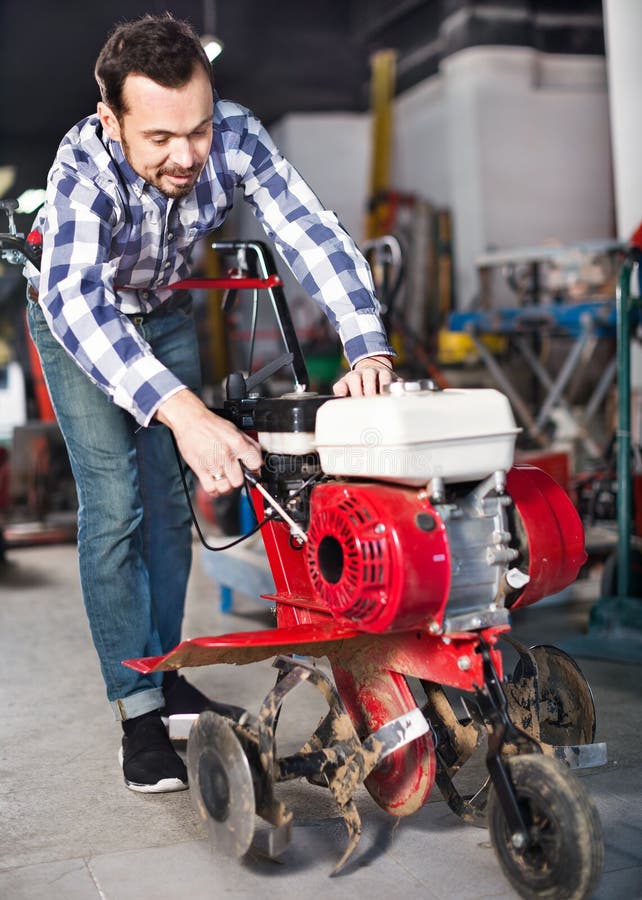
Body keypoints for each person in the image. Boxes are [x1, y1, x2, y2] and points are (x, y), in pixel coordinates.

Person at [24, 14, 395, 794]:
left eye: (195, 129)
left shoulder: (235, 136)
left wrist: (366, 343)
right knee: (117, 503)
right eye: (159, 137)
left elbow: (307, 230)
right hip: (77, 323)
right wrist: (186, 413)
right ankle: (137, 711)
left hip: (162, 312)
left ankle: (164, 674)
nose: (187, 155)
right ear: (112, 120)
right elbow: (78, 302)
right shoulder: (80, 166)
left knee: (170, 505)